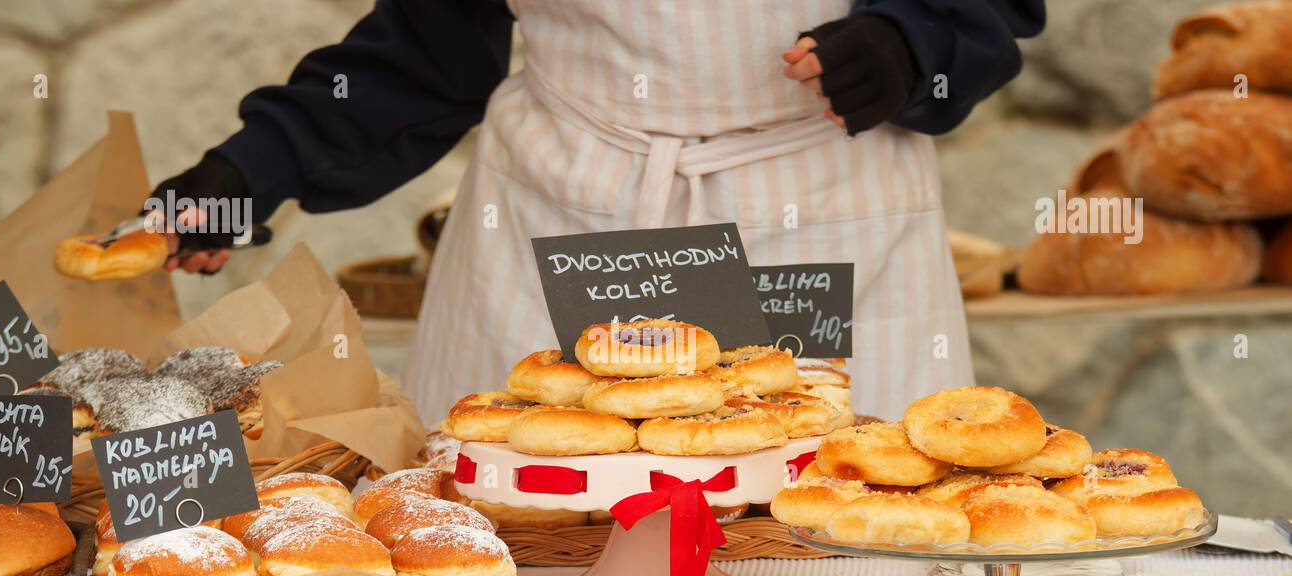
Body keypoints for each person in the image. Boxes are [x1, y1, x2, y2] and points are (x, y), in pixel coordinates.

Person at [154, 0, 1045, 421]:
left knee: (831, 566)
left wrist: (910, 41)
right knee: (520, 554)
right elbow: (428, 51)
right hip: (558, 210)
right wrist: (250, 168)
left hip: (822, 201)